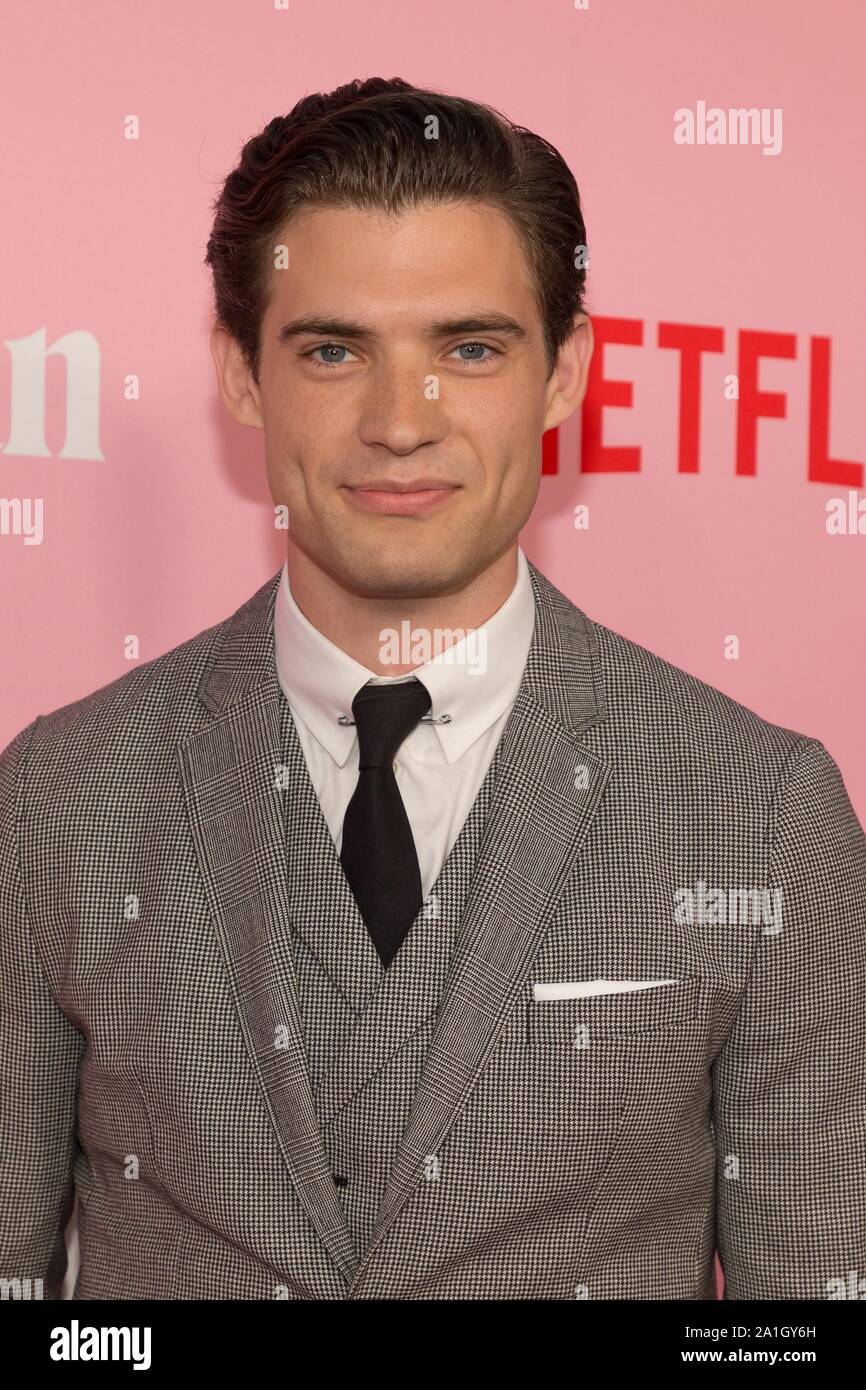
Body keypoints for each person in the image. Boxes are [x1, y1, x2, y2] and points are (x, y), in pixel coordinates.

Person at [1, 77, 863, 1301]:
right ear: (241, 378)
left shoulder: (760, 813)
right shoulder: (55, 800)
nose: (400, 421)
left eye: (468, 348)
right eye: (334, 349)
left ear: (562, 375)